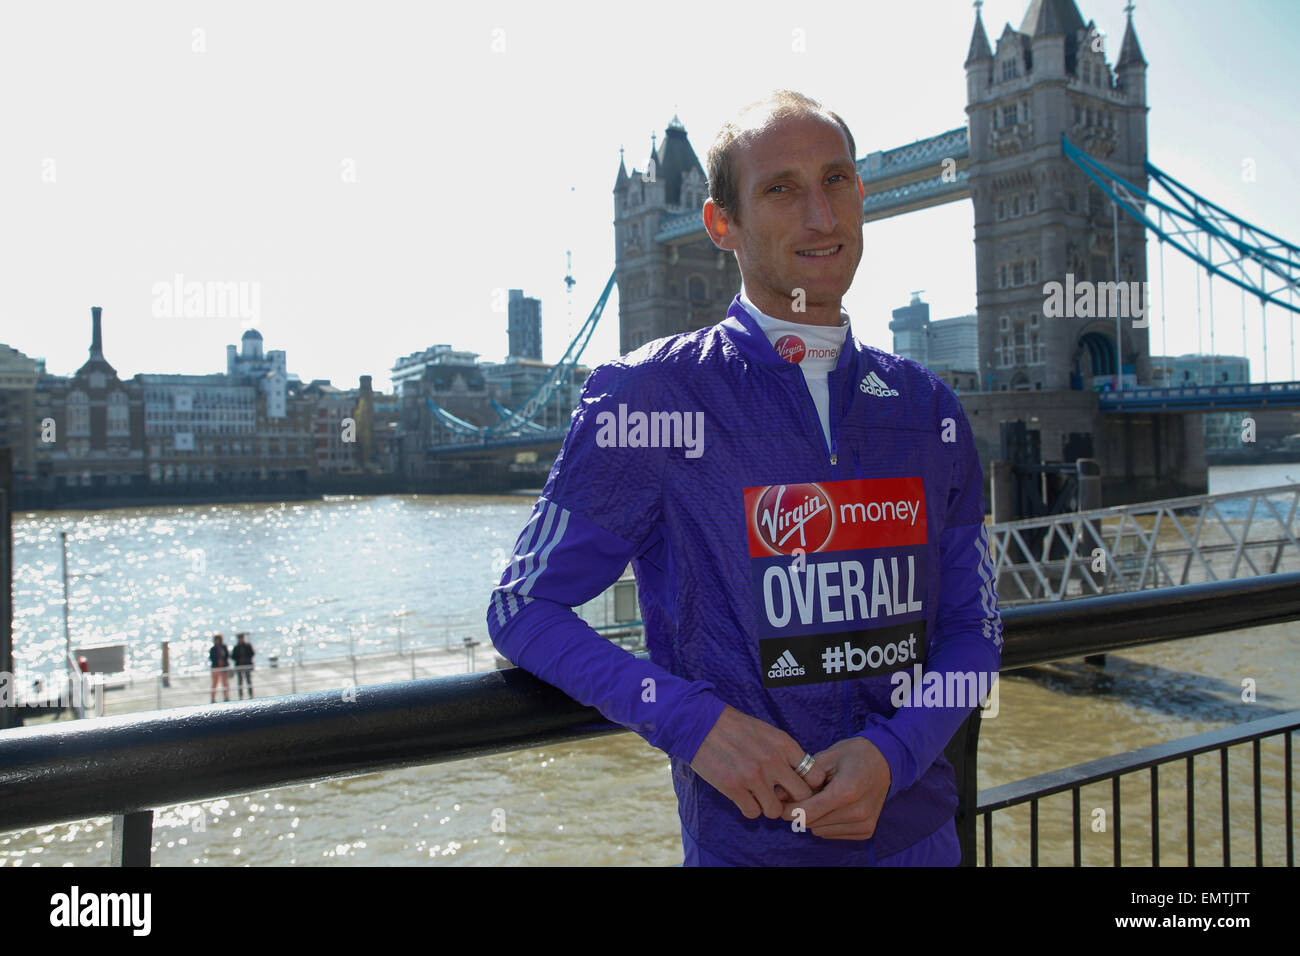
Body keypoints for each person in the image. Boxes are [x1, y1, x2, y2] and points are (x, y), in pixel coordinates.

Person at [486, 90, 1002, 866]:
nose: (821, 218)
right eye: (780, 189)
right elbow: (522, 607)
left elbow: (973, 633)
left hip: (923, 843)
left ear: (863, 197)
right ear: (720, 224)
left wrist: (895, 754)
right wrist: (690, 721)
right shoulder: (650, 399)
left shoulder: (929, 409)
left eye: (836, 180)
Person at [231, 632, 255, 699]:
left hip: (246, 665)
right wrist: (239, 660)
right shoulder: (236, 647)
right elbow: (233, 656)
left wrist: (247, 659)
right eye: (239, 638)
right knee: (240, 681)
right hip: (239, 666)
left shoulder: (247, 645)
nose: (240, 639)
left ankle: (251, 694)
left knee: (248, 680)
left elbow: (252, 653)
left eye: (241, 638)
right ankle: (240, 695)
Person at [209, 633, 231, 703]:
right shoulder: (213, 649)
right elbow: (211, 658)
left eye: (218, 639)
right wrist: (218, 661)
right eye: (216, 640)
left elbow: (227, 656)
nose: (217, 641)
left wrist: (223, 662)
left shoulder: (224, 647)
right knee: (215, 683)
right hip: (215, 668)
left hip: (223, 667)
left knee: (225, 683)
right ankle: (213, 698)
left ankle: (226, 696)